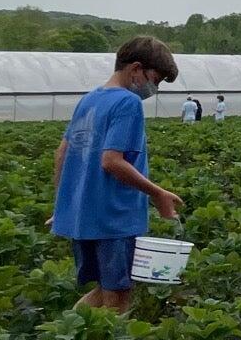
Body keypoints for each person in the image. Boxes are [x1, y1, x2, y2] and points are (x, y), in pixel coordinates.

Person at [51, 36, 184, 313]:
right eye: (154, 79)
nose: (153, 88)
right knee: (118, 298)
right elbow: (111, 161)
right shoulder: (127, 103)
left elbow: (62, 152)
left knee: (103, 291)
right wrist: (157, 193)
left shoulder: (90, 100)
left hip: (85, 216)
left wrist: (63, 204)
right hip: (115, 217)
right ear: (136, 69)